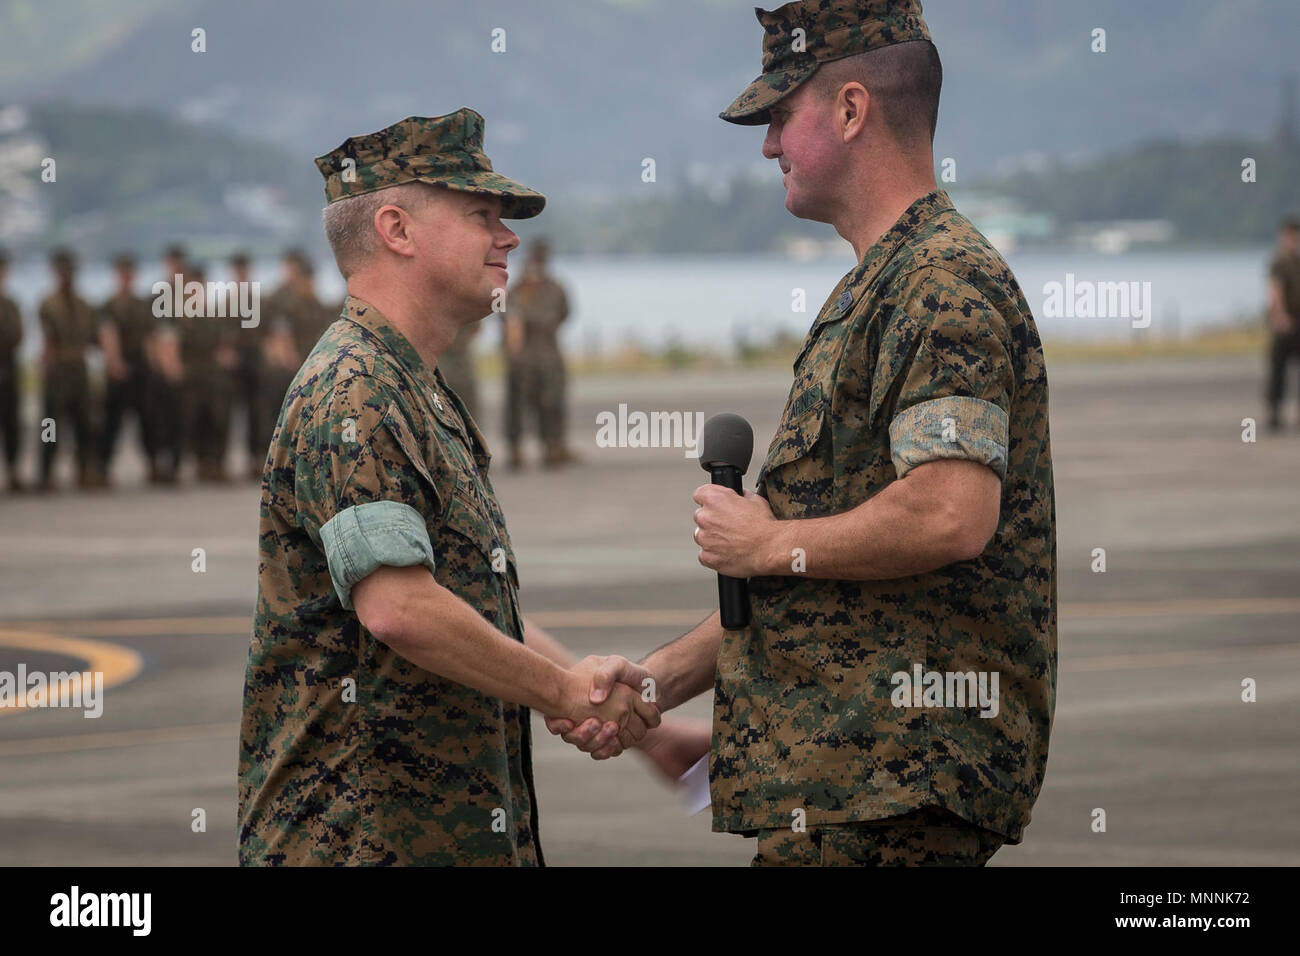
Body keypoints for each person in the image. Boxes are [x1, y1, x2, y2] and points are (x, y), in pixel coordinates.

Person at [554, 0, 1058, 868]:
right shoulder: (881, 285)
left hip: (896, 784)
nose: (767, 145)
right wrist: (655, 681)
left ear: (853, 110)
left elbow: (950, 514)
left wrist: (770, 539)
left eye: (782, 116)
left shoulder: (939, 284)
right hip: (844, 788)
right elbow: (811, 570)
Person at [237, 109, 673, 866]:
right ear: (397, 230)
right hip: (359, 840)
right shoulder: (356, 390)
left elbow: (458, 598)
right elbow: (401, 608)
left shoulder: (411, 385)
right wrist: (563, 694)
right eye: (482, 215)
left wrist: (570, 679)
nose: (507, 237)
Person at [501, 240, 577, 468]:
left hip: (547, 355)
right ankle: (515, 449)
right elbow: (506, 318)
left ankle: (553, 446)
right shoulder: (515, 289)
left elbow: (564, 314)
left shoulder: (555, 288)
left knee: (552, 403)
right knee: (517, 405)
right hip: (522, 358)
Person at [37, 248, 99, 491]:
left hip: (79, 368)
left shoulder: (84, 305)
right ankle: (45, 474)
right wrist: (47, 366)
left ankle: (84, 471)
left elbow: (95, 337)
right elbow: (47, 340)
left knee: (84, 423)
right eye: (62, 272)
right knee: (50, 425)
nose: (66, 277)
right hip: (58, 369)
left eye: (69, 272)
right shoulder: (48, 304)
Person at [98, 253, 158, 485]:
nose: (127, 277)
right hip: (118, 370)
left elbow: (150, 337)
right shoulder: (109, 305)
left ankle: (153, 465)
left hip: (141, 368)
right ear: (117, 275)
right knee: (111, 421)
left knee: (148, 420)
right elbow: (107, 334)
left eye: (130, 272)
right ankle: (102, 468)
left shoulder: (142, 305)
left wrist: (153, 364)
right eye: (123, 272)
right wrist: (114, 363)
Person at [177, 265, 238, 482]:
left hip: (213, 374)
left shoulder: (214, 315)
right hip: (191, 373)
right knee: (194, 417)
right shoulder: (180, 316)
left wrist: (226, 354)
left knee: (219, 414)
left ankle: (217, 462)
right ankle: (201, 461)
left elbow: (225, 345)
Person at [228, 252, 266, 479]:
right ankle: (224, 461)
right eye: (237, 270)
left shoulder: (260, 300)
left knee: (256, 412)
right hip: (234, 364)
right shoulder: (226, 303)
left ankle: (255, 459)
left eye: (243, 270)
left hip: (256, 362)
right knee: (228, 411)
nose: (241, 274)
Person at [1265, 217, 1300, 431]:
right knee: (1278, 371)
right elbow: (1275, 290)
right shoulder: (1280, 261)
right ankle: (1275, 414)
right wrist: (1280, 317)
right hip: (1286, 322)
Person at [0, 249, 23, 492]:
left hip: (9, 368)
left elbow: (17, 335)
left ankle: (13, 471)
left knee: (11, 424)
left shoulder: (11, 305)